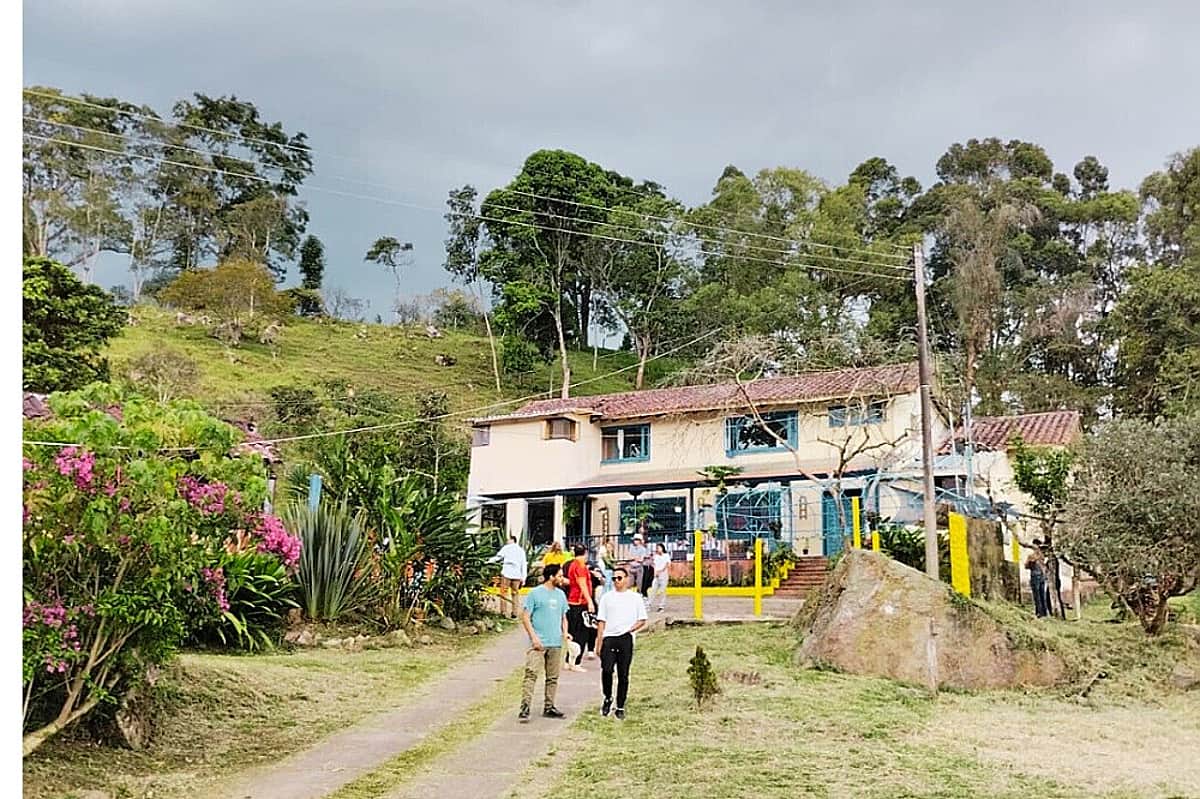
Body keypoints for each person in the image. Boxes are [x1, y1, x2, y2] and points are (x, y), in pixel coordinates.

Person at [517, 563, 570, 722]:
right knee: (531, 674)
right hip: (538, 642)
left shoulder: (561, 595)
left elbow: (563, 617)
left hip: (555, 642)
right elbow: (525, 616)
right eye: (559, 575)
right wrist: (534, 637)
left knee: (552, 677)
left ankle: (549, 706)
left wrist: (565, 634)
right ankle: (525, 706)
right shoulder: (535, 594)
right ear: (551, 576)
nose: (562, 579)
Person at [596, 566, 648, 720]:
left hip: (625, 638)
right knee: (607, 670)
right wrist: (598, 643)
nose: (616, 582)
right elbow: (601, 621)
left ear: (626, 579)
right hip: (609, 637)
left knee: (623, 674)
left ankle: (620, 705)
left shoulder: (635, 598)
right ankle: (607, 697)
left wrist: (631, 629)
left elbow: (642, 619)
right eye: (614, 579)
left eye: (619, 578)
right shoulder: (607, 598)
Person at [564, 544, 595, 672]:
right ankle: (576, 662)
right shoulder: (581, 567)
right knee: (582, 634)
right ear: (586, 553)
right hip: (580, 602)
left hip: (572, 601)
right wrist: (590, 601)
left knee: (573, 633)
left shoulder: (572, 565)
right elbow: (582, 584)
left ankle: (568, 660)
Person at [489, 535, 527, 619]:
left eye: (508, 540)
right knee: (515, 594)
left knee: (503, 592)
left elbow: (498, 557)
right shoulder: (521, 551)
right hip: (517, 574)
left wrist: (487, 561)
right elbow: (524, 564)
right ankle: (515, 613)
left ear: (512, 540)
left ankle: (503, 612)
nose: (507, 541)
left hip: (506, 573)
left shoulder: (506, 548)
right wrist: (523, 578)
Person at [1025, 539, 1049, 618]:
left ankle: (1039, 612)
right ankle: (1043, 612)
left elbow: (1026, 566)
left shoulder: (1032, 556)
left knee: (1037, 595)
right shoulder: (1042, 556)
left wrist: (1031, 561)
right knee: (1042, 595)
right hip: (1042, 576)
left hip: (1036, 576)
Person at [649, 543, 670, 612]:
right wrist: (655, 573)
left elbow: (667, 564)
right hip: (656, 575)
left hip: (663, 575)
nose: (658, 549)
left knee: (662, 591)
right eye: (657, 548)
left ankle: (661, 606)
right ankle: (649, 604)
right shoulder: (656, 556)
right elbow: (654, 565)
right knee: (653, 590)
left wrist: (660, 571)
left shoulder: (666, 556)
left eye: (659, 548)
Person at [627, 534, 648, 600]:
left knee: (639, 583)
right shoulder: (631, 548)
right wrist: (636, 558)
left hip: (639, 567)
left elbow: (641, 559)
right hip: (632, 567)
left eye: (636, 540)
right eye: (634, 540)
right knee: (630, 583)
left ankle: (639, 595)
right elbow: (629, 557)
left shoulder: (643, 549)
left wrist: (635, 558)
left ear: (640, 541)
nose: (635, 541)